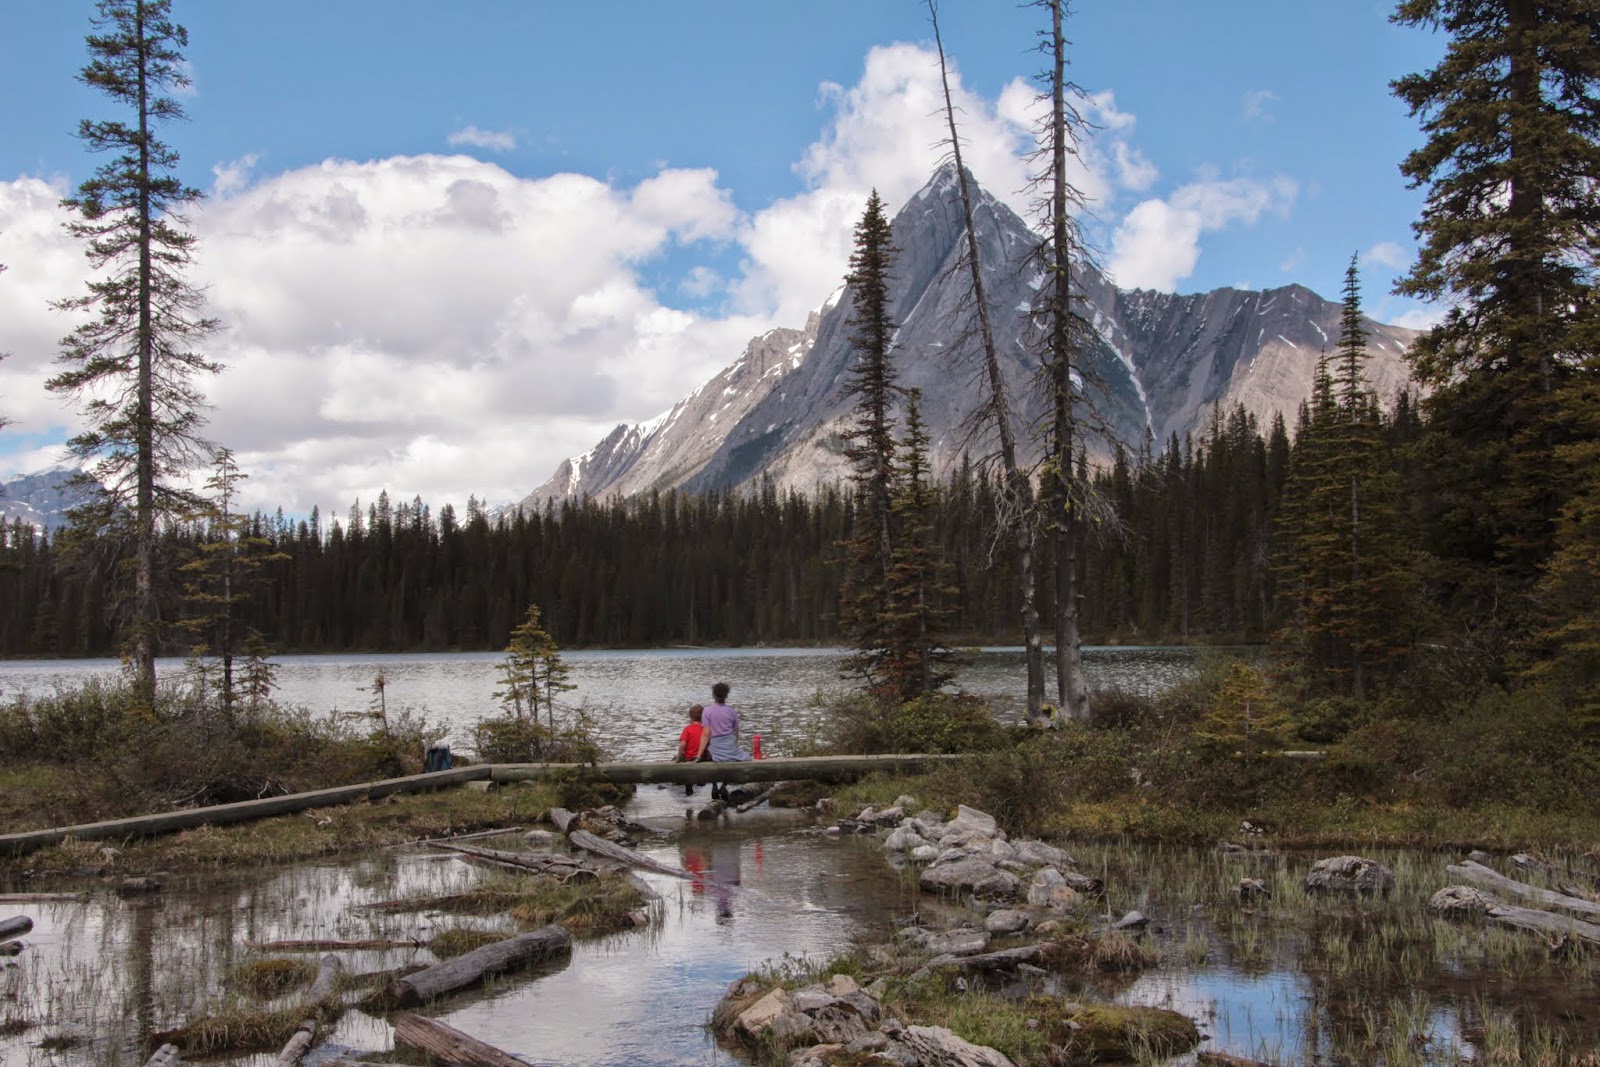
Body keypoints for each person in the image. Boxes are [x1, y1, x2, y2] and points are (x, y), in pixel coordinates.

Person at [696, 681, 749, 801]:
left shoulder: (707, 711)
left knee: (712, 759)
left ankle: (714, 785)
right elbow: (736, 733)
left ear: (713, 695)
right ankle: (724, 786)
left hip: (716, 746)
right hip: (730, 744)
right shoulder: (732, 711)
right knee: (736, 759)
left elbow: (706, 734)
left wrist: (698, 756)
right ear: (726, 696)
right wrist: (734, 745)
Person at [674, 704, 706, 796]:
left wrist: (679, 757)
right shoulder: (705, 729)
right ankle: (700, 781)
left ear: (691, 718)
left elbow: (682, 745)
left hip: (689, 758)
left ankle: (688, 786)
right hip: (702, 757)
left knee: (680, 759)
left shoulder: (688, 729)